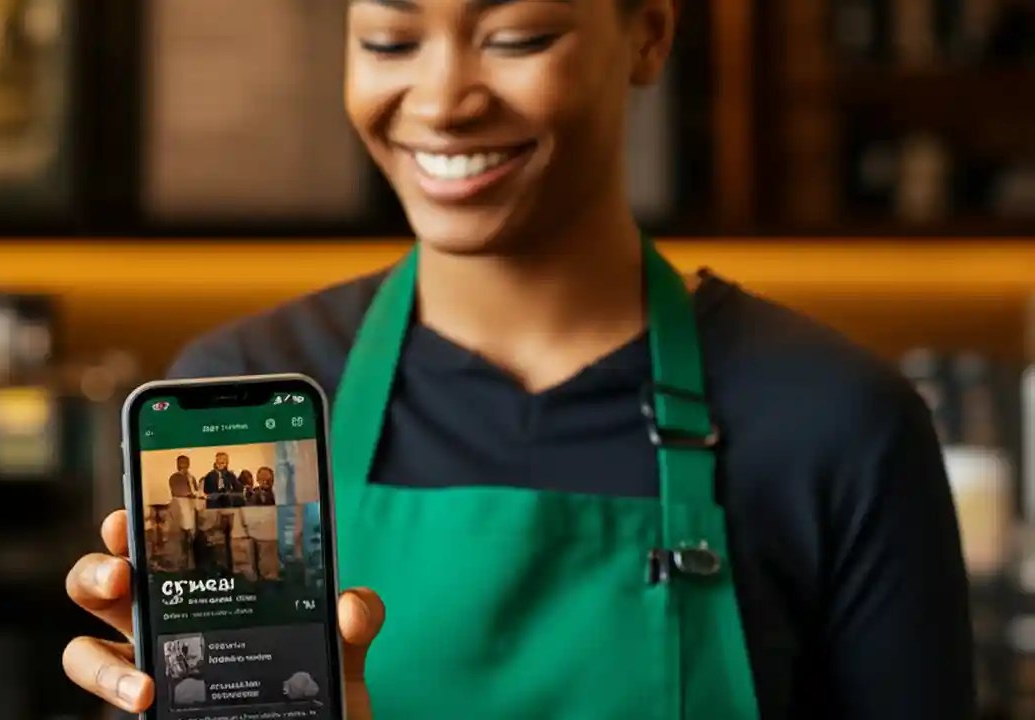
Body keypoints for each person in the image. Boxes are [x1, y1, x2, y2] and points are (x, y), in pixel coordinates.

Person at [63, 1, 974, 718]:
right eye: (388, 41)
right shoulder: (239, 393)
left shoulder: (836, 419)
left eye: (518, 37)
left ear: (649, 36)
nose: (442, 101)